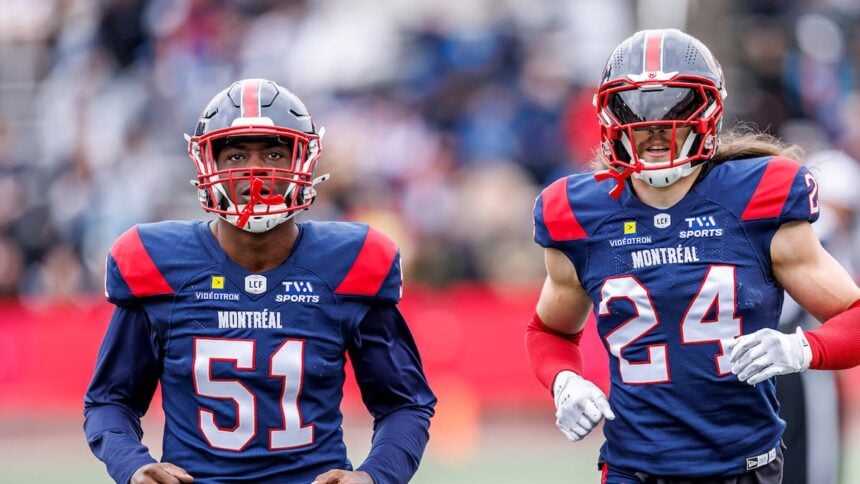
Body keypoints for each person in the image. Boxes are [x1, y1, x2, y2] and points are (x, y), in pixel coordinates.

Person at [525, 29, 860, 483]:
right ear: (608, 114)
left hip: (741, 467)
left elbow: (853, 316)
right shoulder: (579, 212)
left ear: (708, 111)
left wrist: (801, 348)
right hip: (631, 469)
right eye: (634, 108)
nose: (653, 125)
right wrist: (564, 380)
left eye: (673, 105)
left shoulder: (758, 196)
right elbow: (549, 331)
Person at [84, 78, 436, 484]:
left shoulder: (348, 263)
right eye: (235, 155)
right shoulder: (160, 263)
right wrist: (132, 466)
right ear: (208, 164)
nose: (254, 171)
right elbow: (110, 400)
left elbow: (404, 403)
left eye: (273, 154)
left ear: (303, 163)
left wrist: (374, 476)